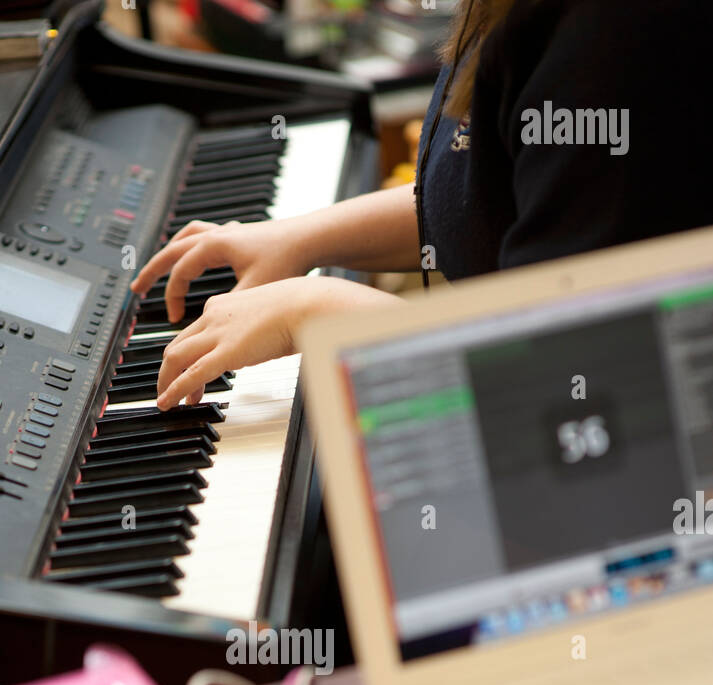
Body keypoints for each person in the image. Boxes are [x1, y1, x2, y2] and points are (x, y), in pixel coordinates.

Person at [132, 0, 713, 410]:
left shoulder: (614, 36)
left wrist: (310, 311)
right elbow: (496, 198)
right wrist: (301, 238)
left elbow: (562, 380)